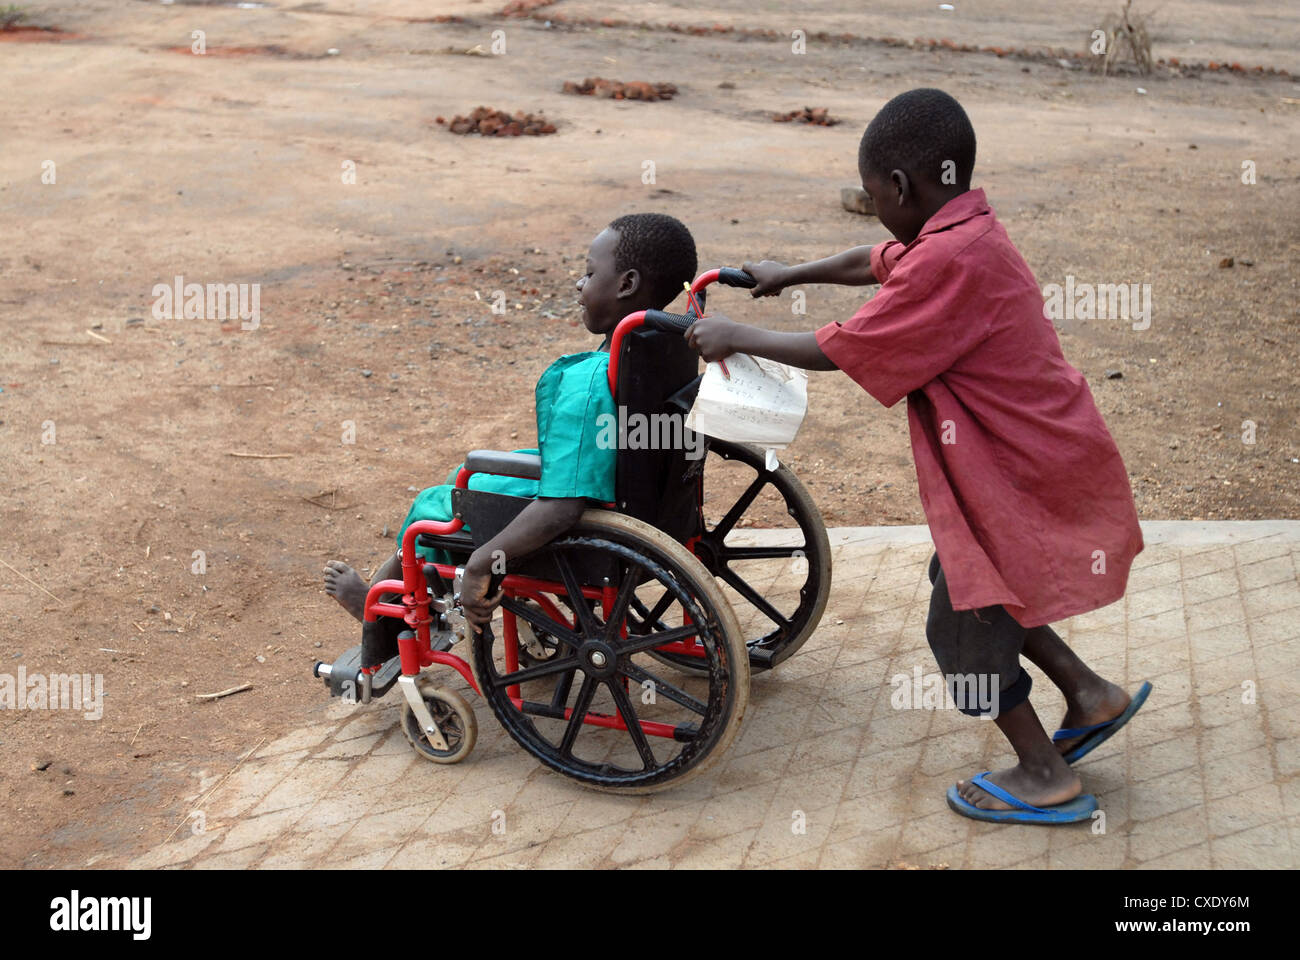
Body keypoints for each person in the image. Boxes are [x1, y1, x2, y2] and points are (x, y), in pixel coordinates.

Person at [686, 88, 1149, 824]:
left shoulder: (949, 263)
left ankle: (1044, 773)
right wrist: (789, 273)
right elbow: (872, 260)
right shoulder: (963, 228)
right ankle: (1091, 695)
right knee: (973, 578)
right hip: (1035, 456)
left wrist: (737, 335)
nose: (876, 214)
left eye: (874, 198)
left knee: (961, 625)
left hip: (1018, 474)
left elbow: (848, 346)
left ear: (900, 187)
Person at [324, 212, 698, 649]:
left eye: (590, 273)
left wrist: (483, 563)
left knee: (438, 501)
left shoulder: (592, 377)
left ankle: (385, 611)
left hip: (591, 519)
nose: (579, 284)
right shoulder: (662, 341)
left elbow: (563, 506)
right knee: (464, 479)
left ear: (626, 284)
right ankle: (397, 593)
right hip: (646, 498)